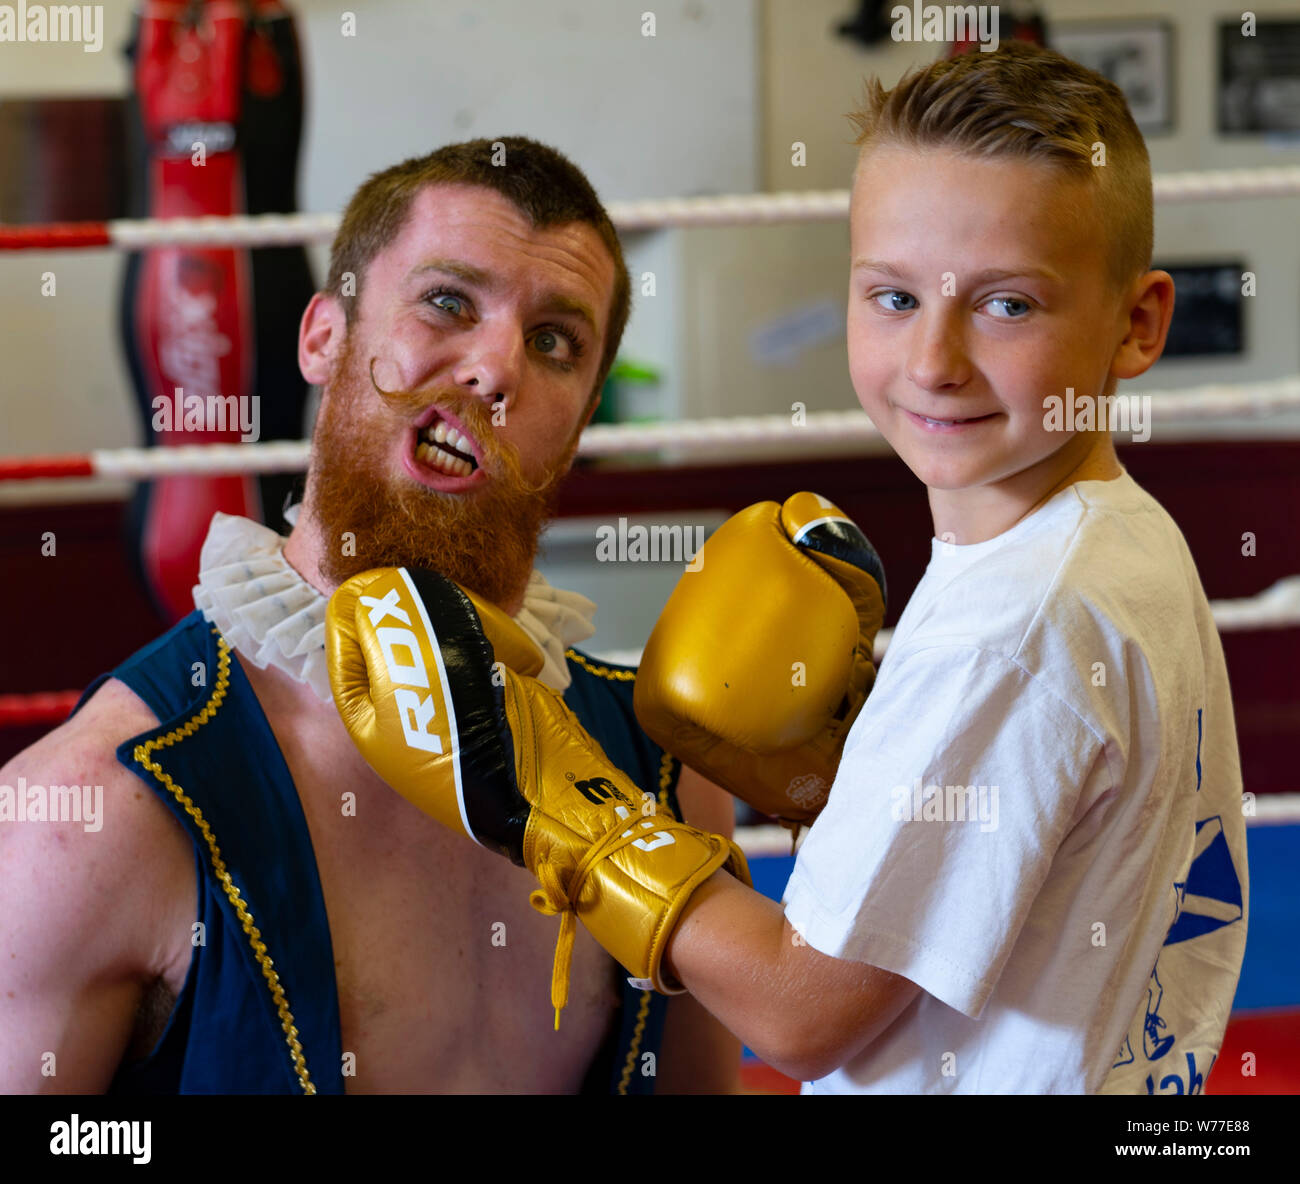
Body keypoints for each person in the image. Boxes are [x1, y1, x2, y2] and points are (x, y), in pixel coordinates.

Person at [340, 44, 1249, 1094]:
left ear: (1136, 324)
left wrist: (565, 811)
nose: (933, 361)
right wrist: (849, 783)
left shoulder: (1012, 624)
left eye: (1007, 305)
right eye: (894, 297)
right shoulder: (1127, 544)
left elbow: (800, 1012)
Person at [0, 136, 739, 1095]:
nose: (495, 369)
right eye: (447, 302)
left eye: (555, 340)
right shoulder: (95, 809)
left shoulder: (665, 777)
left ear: (581, 419)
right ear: (324, 337)